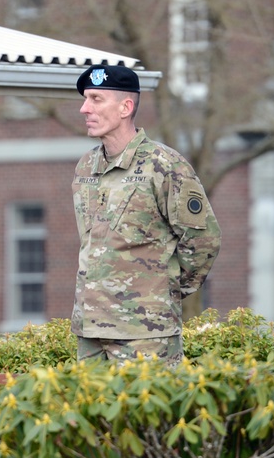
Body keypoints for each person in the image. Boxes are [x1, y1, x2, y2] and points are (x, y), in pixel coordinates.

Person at [72, 65, 221, 366]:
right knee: (90, 412)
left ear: (126, 107)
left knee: (144, 413)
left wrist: (162, 292)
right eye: (86, 99)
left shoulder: (164, 165)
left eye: (96, 99)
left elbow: (204, 241)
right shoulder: (86, 167)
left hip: (145, 333)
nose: (84, 108)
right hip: (90, 330)